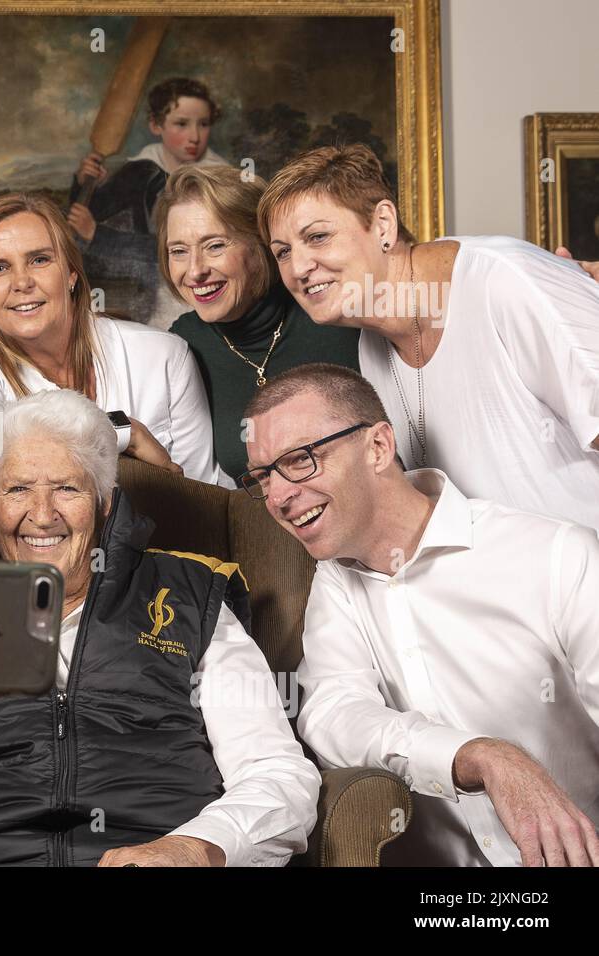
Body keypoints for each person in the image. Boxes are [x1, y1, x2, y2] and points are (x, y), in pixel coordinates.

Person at [0, 389, 320, 867]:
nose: (41, 515)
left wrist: (192, 850)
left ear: (104, 503)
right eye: (17, 489)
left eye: (66, 488)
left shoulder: (189, 598)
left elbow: (276, 773)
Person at [241, 363, 599, 867]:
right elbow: (333, 713)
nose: (277, 497)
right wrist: (476, 755)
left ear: (379, 447)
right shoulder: (336, 585)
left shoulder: (557, 554)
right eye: (262, 477)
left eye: (300, 461)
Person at [258, 143, 599, 530]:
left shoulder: (507, 283)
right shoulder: (372, 346)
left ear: (383, 225)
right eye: (283, 252)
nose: (299, 267)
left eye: (318, 237)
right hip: (501, 583)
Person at [0, 192, 226, 495]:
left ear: (71, 274)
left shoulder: (165, 355)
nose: (21, 283)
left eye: (39, 260)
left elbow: (203, 496)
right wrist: (121, 430)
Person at [158, 163, 360, 483]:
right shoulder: (184, 345)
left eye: (215, 246)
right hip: (257, 528)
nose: (195, 271)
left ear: (260, 246)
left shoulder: (334, 315)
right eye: (179, 251)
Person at [68, 77, 227, 325]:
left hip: (209, 291)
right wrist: (84, 182)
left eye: (203, 124)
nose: (194, 136)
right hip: (159, 298)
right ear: (156, 125)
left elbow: (174, 251)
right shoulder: (143, 169)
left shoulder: (221, 179)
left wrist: (99, 236)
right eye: (181, 124)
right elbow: (87, 216)